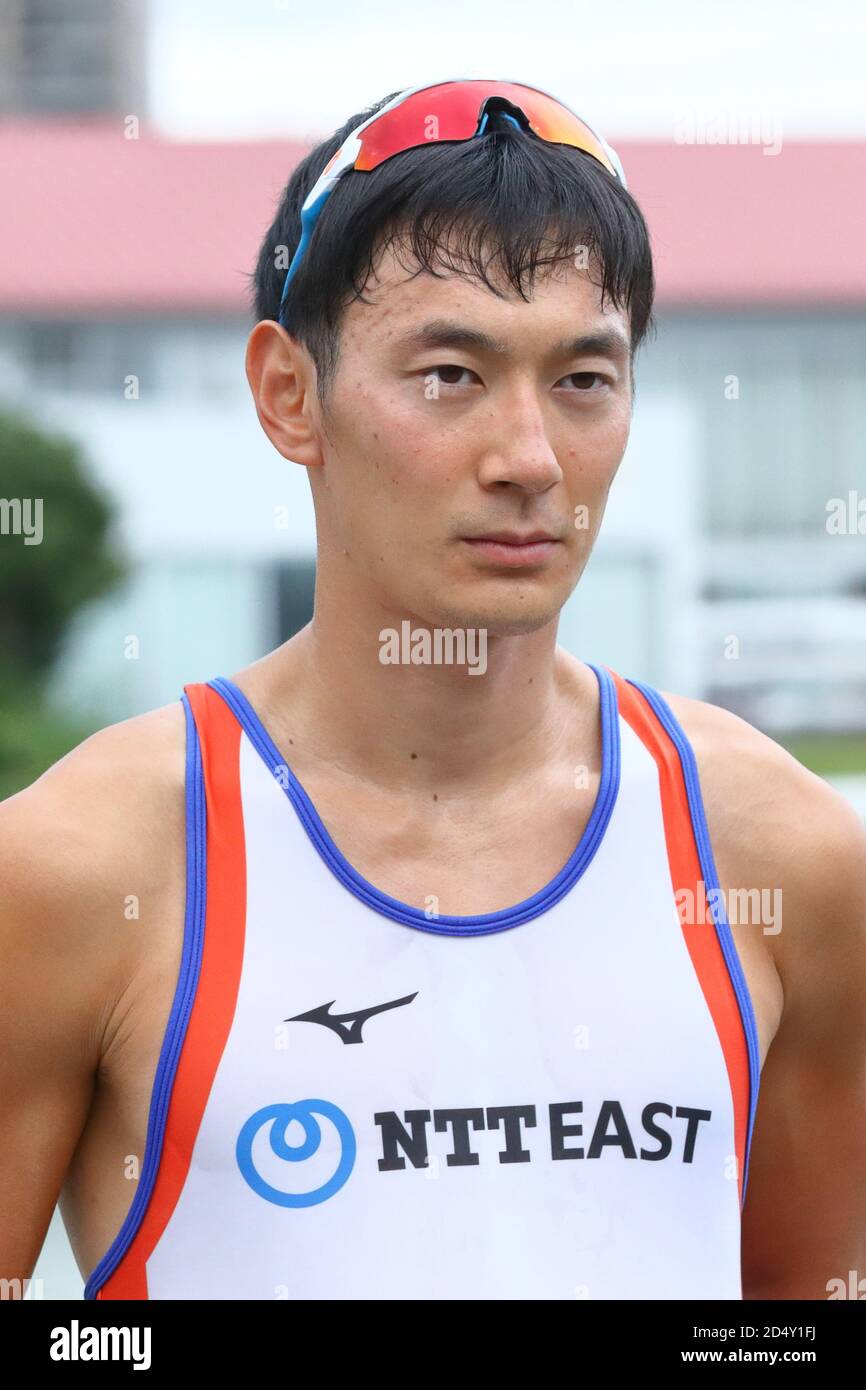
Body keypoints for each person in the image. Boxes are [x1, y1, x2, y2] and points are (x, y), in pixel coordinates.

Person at [1, 80, 864, 1302]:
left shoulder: (777, 856)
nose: (528, 459)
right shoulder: (75, 869)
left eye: (582, 380)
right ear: (287, 394)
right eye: (450, 374)